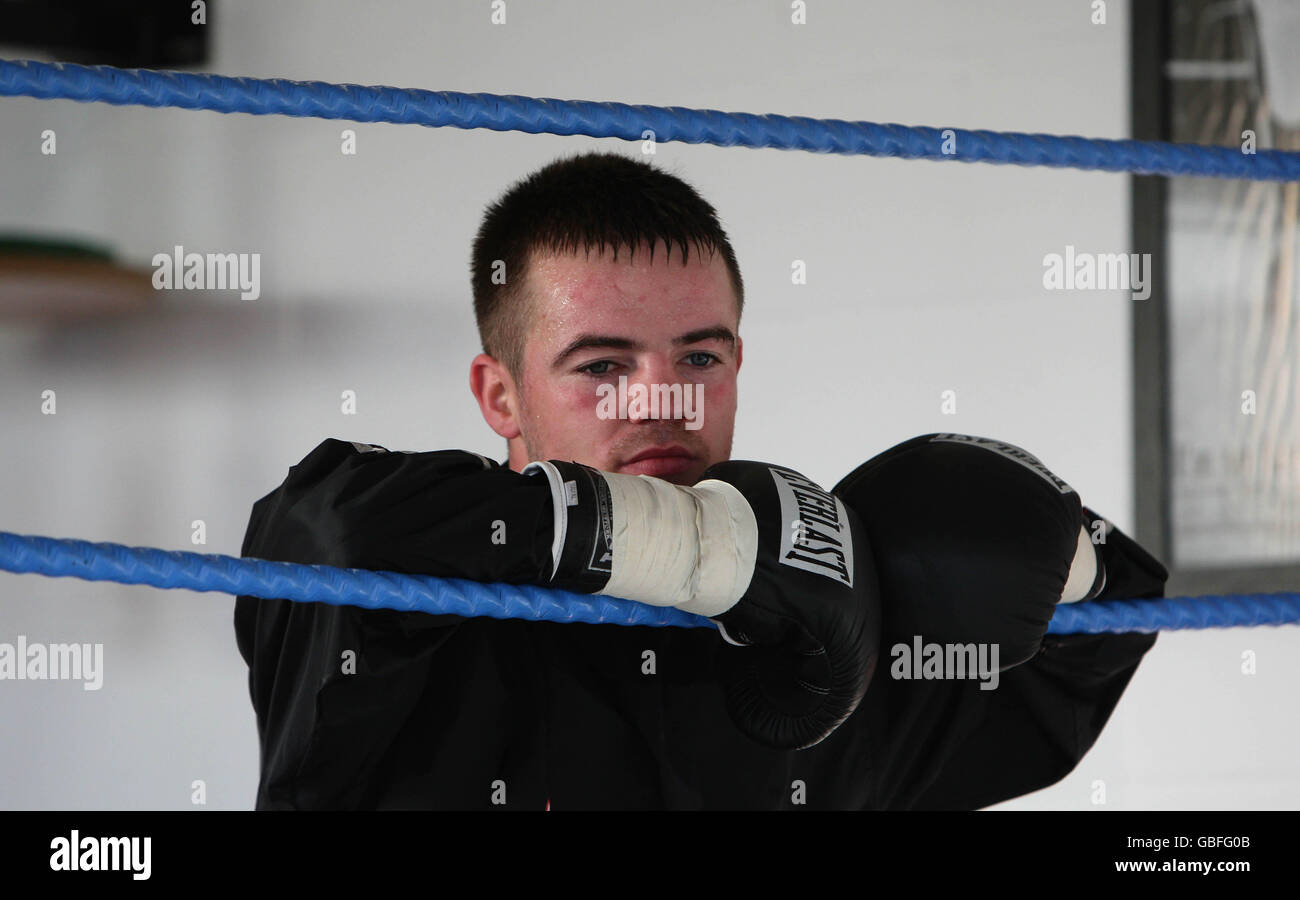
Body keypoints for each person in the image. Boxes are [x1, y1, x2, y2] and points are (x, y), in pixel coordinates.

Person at [234, 151, 1164, 809]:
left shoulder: (822, 623)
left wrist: (1064, 557)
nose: (667, 406)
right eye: (602, 367)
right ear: (500, 395)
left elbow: (1081, 660)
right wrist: (681, 543)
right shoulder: (408, 616)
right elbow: (330, 533)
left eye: (700, 360)